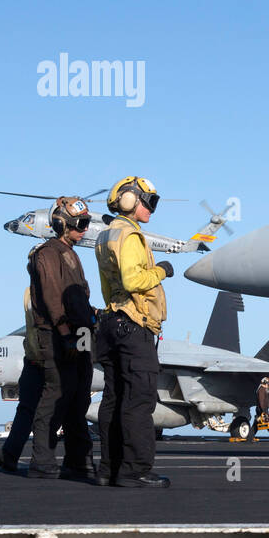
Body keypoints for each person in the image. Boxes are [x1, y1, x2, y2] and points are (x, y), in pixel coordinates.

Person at [94, 177, 175, 488]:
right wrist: (163, 271)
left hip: (112, 322)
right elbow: (132, 280)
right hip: (134, 325)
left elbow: (108, 286)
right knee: (139, 399)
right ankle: (135, 470)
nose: (151, 209)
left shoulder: (105, 235)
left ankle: (108, 469)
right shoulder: (129, 234)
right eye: (148, 202)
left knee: (113, 398)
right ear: (130, 201)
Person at [27, 197, 96, 480]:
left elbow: (80, 296)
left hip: (81, 334)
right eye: (80, 225)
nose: (84, 230)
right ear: (60, 224)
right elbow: (53, 297)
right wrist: (66, 334)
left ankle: (77, 459)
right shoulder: (47, 254)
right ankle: (41, 459)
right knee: (55, 395)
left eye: (86, 224)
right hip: (57, 334)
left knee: (79, 397)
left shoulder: (71, 253)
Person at [0, 284, 47, 474]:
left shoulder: (57, 282)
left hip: (53, 358)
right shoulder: (32, 289)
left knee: (56, 410)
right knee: (27, 406)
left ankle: (51, 461)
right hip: (34, 358)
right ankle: (10, 455)